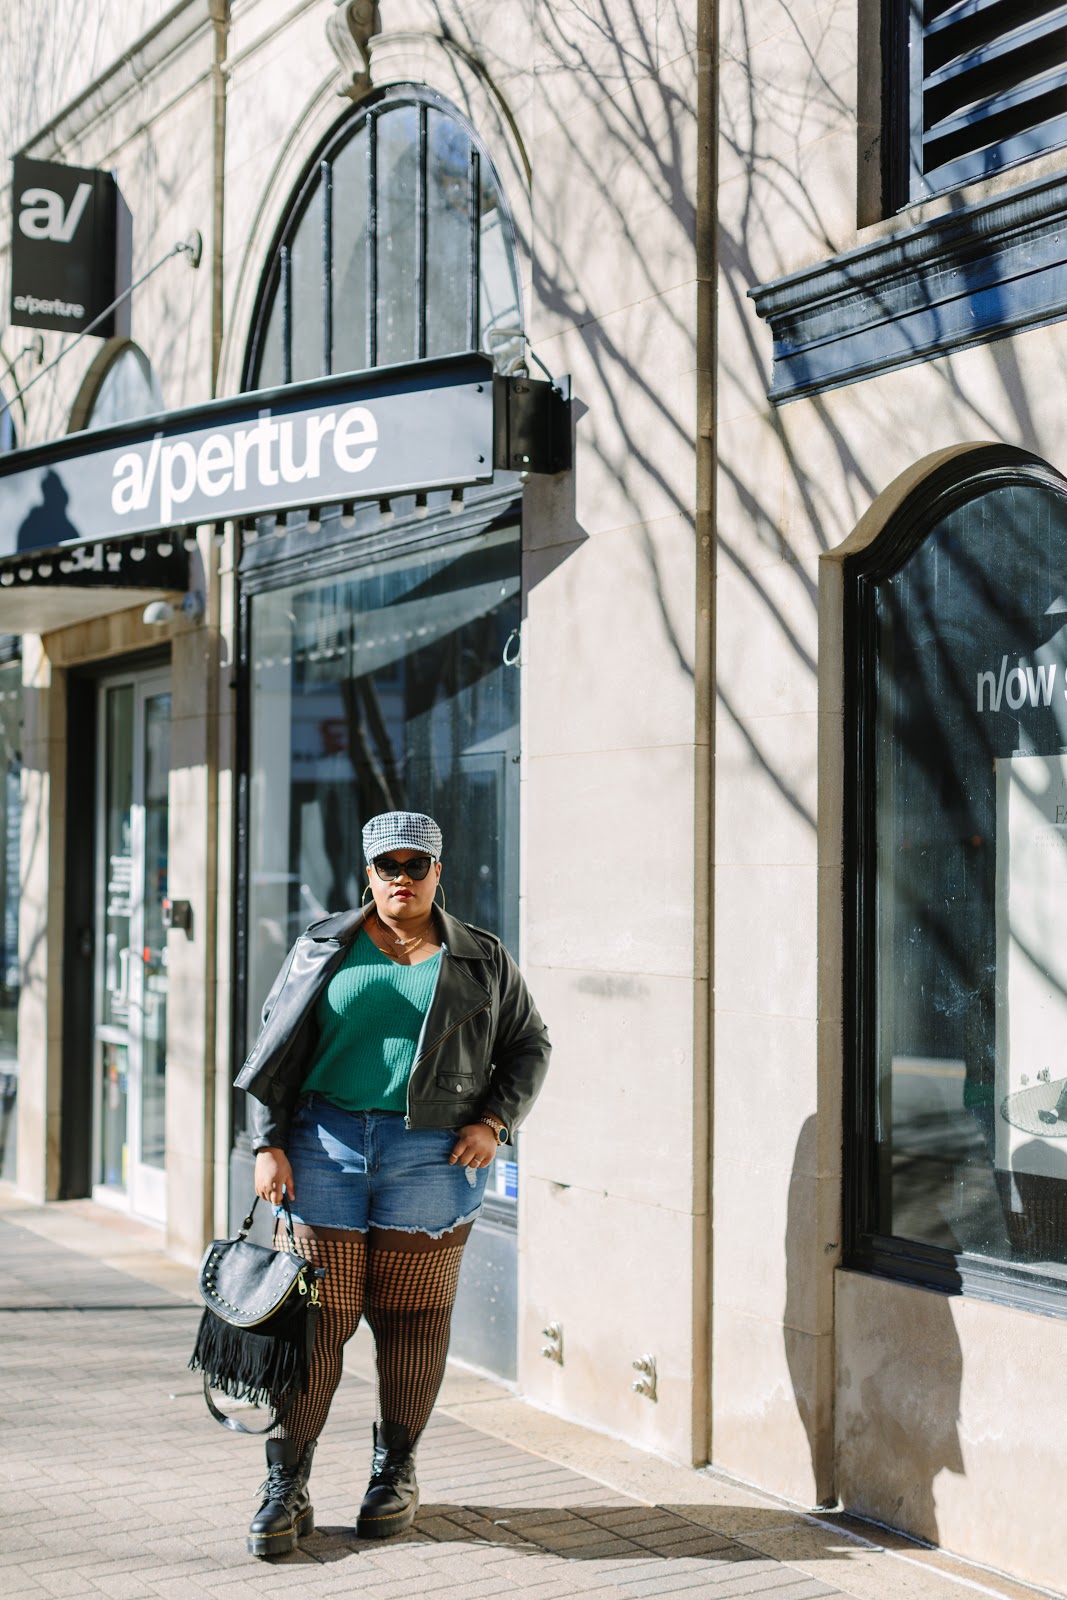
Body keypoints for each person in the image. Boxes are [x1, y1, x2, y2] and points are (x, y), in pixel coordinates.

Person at [233, 810, 551, 1555]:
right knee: (315, 1324)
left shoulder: (480, 957)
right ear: (368, 872)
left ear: (439, 871)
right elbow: (272, 1045)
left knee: (412, 1321)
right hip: (324, 1149)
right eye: (388, 866)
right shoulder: (322, 946)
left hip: (432, 1160)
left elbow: (528, 1043)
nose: (401, 879)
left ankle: (394, 1473)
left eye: (416, 865)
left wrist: (495, 1121)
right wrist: (267, 1142)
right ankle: (287, 1484)